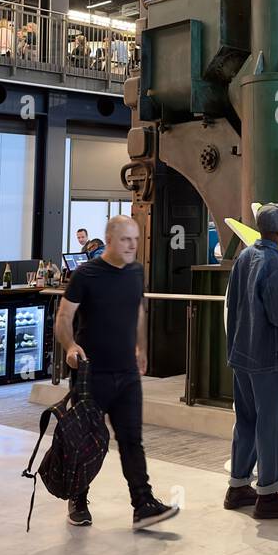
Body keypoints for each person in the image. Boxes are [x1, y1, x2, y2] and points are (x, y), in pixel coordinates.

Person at [56, 215, 178, 530]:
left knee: (131, 440)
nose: (132, 245)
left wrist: (142, 349)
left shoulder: (136, 272)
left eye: (135, 239)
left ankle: (143, 504)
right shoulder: (86, 275)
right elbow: (64, 316)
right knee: (86, 441)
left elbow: (138, 310)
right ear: (109, 239)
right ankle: (78, 500)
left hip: (126, 375)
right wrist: (70, 346)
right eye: (126, 239)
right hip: (91, 375)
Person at [223, 203, 278, 519]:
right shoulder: (275, 264)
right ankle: (269, 495)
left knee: (246, 420)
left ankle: (238, 486)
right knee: (272, 425)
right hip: (269, 358)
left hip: (242, 354)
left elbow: (235, 303)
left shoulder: (245, 257)